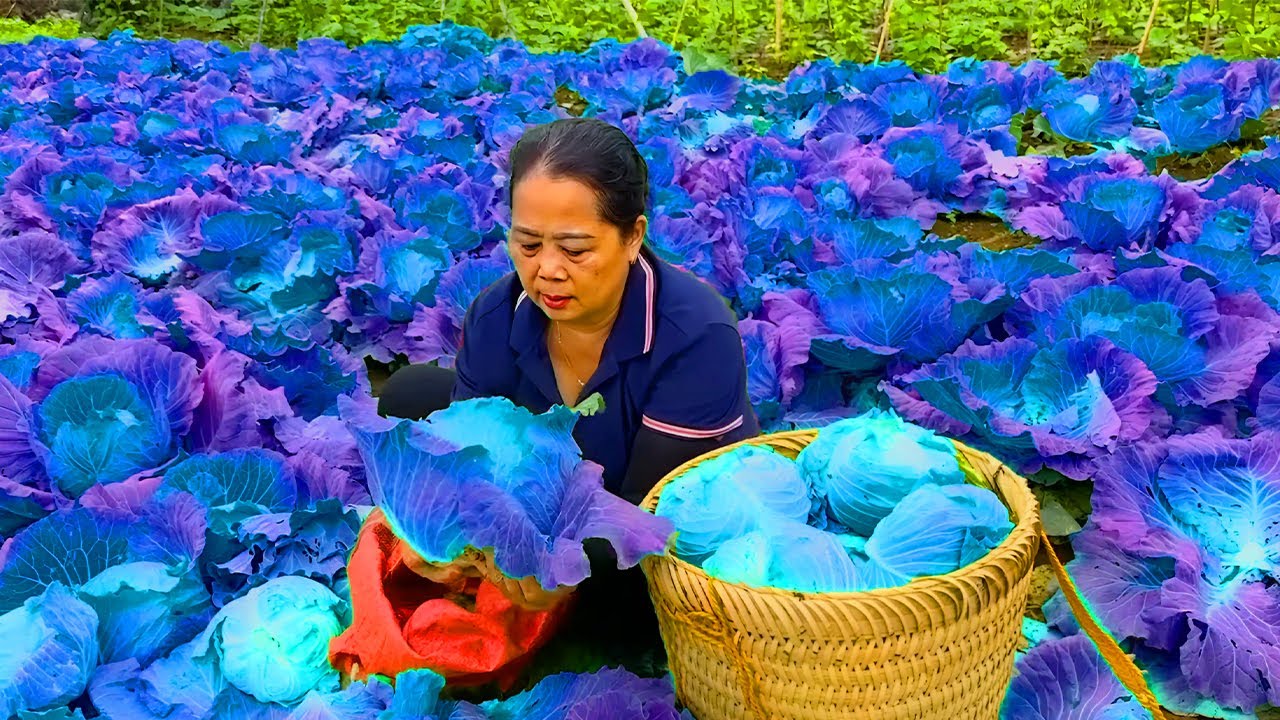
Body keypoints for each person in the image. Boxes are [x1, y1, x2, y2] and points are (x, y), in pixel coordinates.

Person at [376, 116, 761, 673]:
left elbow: (649, 511)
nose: (546, 271)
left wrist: (560, 570)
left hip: (646, 520)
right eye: (527, 243)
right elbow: (463, 454)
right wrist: (438, 528)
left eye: (575, 249)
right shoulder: (495, 312)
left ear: (633, 237)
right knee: (411, 397)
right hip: (549, 492)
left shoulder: (695, 334)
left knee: (632, 602)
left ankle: (590, 624)